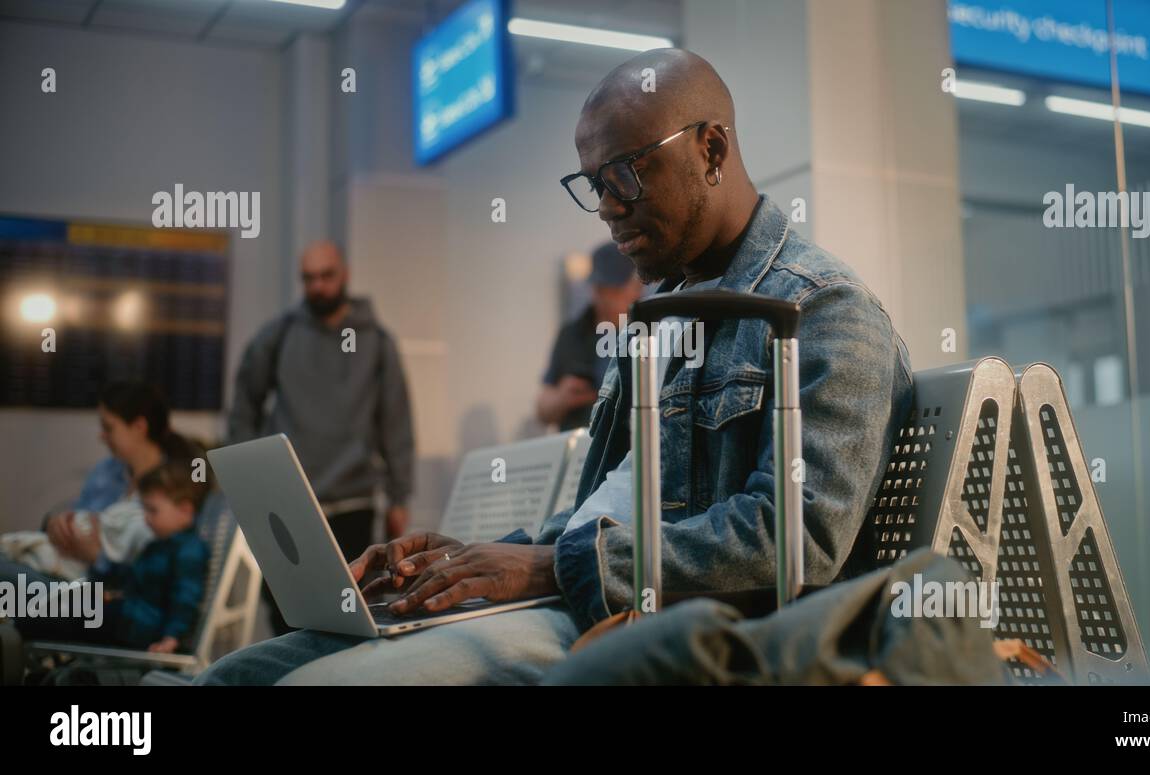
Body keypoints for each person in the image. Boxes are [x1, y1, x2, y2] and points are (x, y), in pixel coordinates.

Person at [196, 48, 912, 686]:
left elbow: (799, 540)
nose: (605, 207)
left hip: (655, 627)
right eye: (593, 181)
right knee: (246, 670)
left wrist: (548, 570)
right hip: (578, 598)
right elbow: (613, 509)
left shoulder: (823, 313)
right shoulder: (664, 313)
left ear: (712, 149)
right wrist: (480, 560)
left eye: (626, 173)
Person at [227, 240, 415, 633]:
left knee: (347, 621)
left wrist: (400, 496)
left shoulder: (377, 341)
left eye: (326, 276)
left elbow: (395, 421)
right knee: (285, 619)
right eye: (308, 278)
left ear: (344, 275)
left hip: (353, 504)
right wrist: (248, 477)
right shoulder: (278, 335)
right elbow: (244, 403)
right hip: (287, 503)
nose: (318, 286)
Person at [8, 458, 210, 653]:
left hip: (138, 626)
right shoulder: (158, 544)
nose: (146, 518)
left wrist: (171, 638)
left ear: (185, 511)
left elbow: (185, 600)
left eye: (152, 510)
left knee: (61, 614)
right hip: (127, 615)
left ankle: (17, 625)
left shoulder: (189, 551)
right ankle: (18, 624)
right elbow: (132, 578)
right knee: (62, 607)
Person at [0, 381, 196, 581]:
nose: (101, 436)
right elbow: (77, 514)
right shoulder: (106, 471)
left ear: (139, 427)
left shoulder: (174, 487)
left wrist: (99, 558)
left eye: (108, 428)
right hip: (63, 566)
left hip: (100, 588)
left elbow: (161, 568)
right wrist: (53, 524)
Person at [536, 242, 643, 430]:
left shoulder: (653, 334)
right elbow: (543, 409)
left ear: (636, 288)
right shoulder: (571, 334)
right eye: (600, 289)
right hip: (581, 447)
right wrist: (562, 398)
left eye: (614, 290)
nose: (605, 299)